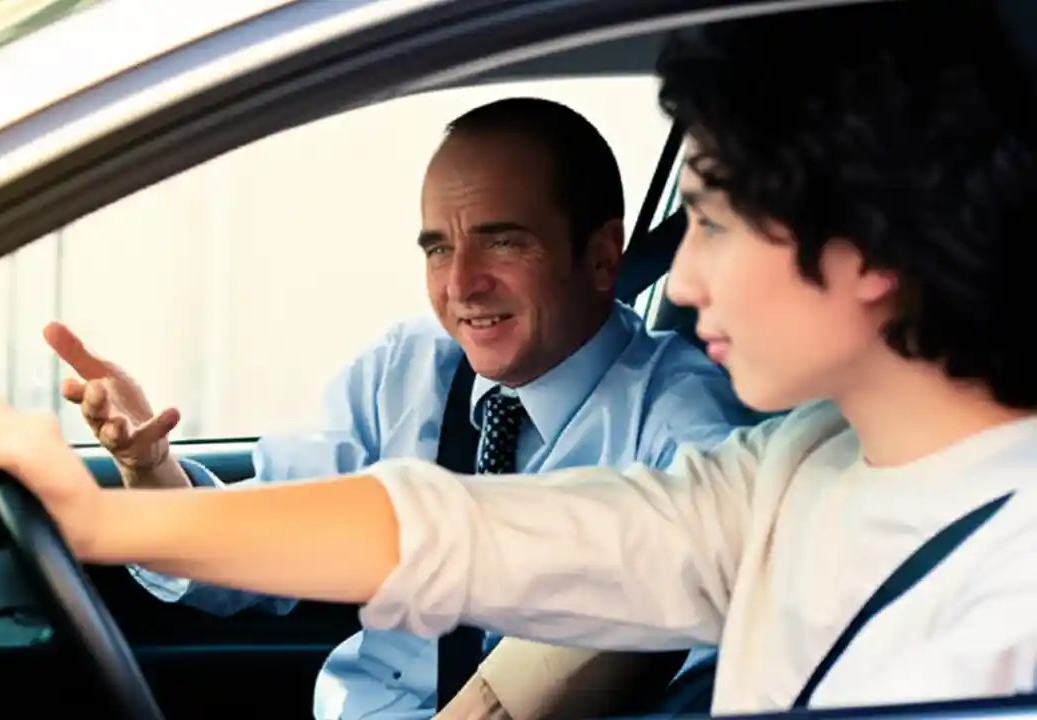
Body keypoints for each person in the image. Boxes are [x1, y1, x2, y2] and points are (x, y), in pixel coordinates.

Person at [0, 0, 1037, 713]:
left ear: (866, 245)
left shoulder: (1006, 575)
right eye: (435, 246)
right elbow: (452, 530)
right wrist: (106, 512)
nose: (684, 279)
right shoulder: (784, 475)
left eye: (706, 221)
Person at [39, 97, 756, 720]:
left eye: (503, 241)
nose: (462, 285)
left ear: (602, 257)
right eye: (439, 249)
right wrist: (152, 469)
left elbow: (697, 692)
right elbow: (262, 548)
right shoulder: (406, 369)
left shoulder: (688, 436)